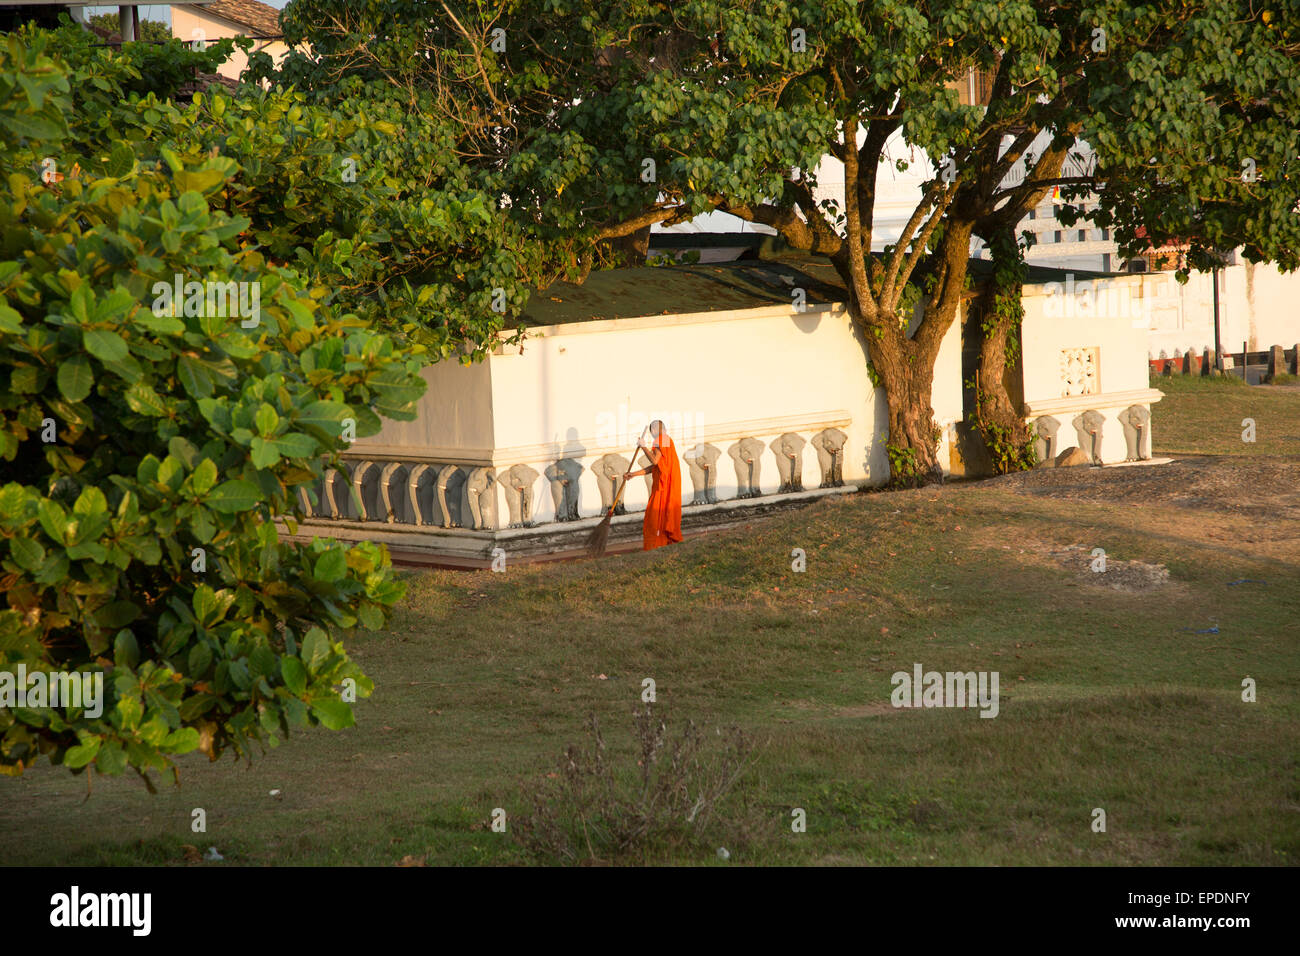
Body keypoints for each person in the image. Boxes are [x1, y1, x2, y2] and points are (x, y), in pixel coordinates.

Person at [623, 420, 682, 551]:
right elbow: (656, 466)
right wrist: (634, 474)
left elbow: (654, 461)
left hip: (664, 488)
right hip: (666, 486)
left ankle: (657, 545)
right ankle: (664, 543)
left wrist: (643, 446)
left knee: (654, 517)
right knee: (660, 517)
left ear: (654, 430)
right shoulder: (666, 440)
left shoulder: (662, 439)